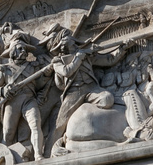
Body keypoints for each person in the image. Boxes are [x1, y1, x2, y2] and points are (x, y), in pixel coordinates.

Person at [42, 21, 124, 153]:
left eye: (74, 42)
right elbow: (67, 72)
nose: (74, 44)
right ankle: (47, 153)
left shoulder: (86, 56)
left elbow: (109, 60)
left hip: (91, 88)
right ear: (62, 46)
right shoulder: (58, 61)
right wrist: (79, 57)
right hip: (74, 92)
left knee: (108, 99)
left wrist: (123, 49)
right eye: (70, 43)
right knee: (59, 124)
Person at [0, 40, 46, 160]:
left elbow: (39, 85)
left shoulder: (33, 66)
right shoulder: (4, 69)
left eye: (24, 49)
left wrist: (47, 75)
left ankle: (38, 155)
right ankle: (4, 159)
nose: (23, 51)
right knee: (8, 134)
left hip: (29, 99)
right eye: (20, 49)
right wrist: (3, 91)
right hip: (12, 102)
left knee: (35, 124)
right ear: (13, 52)